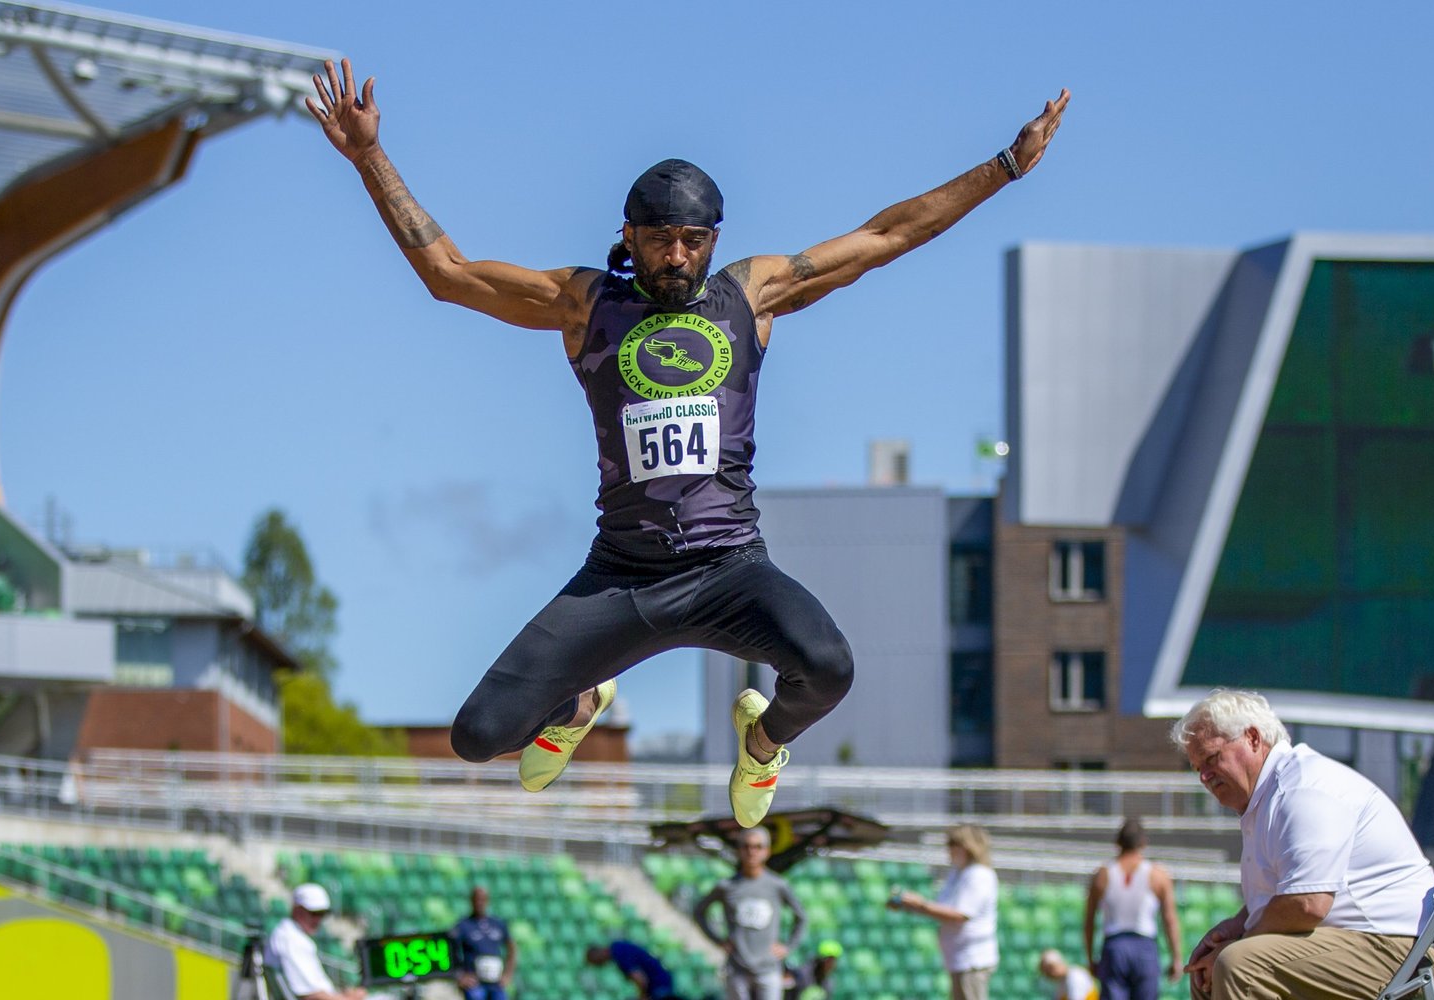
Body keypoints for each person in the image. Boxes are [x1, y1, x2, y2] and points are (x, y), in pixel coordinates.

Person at [306, 58, 1070, 828]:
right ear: (628, 236)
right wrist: (370, 156)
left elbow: (884, 236)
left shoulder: (752, 294)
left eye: (693, 240)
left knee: (829, 668)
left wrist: (1004, 167)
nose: (677, 256)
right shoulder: (585, 303)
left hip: (731, 568)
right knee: (477, 737)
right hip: (622, 577)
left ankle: (762, 744)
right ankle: (578, 703)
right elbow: (450, 273)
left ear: (712, 240)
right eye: (661, 240)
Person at [1173, 688, 1434, 1000]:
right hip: (1371, 947)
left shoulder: (1302, 787)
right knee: (1209, 973)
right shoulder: (1269, 798)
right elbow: (1286, 896)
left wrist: (1236, 942)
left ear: (1253, 739)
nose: (1204, 776)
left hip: (1406, 952)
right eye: (1197, 768)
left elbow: (1307, 904)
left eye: (1212, 758)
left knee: (1238, 965)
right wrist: (1236, 925)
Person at [694, 826, 808, 1000]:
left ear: (767, 851)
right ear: (739, 850)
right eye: (746, 846)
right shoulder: (727, 886)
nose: (751, 852)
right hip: (737, 967)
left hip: (768, 968)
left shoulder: (777, 885)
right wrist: (718, 940)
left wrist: (788, 946)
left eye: (757, 847)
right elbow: (699, 911)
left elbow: (801, 917)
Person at [888, 824, 998, 1000]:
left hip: (971, 958)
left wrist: (921, 904)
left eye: (953, 844)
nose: (949, 850)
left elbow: (960, 915)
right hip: (959, 958)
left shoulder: (978, 875)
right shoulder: (958, 874)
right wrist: (911, 905)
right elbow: (943, 910)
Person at [1084, 818, 1183, 1000]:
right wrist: (1176, 957)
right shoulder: (1157, 875)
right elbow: (1169, 919)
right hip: (1144, 946)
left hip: (1114, 946)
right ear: (1143, 843)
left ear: (1118, 843)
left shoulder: (1102, 874)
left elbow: (1089, 920)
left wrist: (1091, 958)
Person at [264, 883, 367, 1000]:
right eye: (314, 913)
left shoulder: (290, 935)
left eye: (322, 914)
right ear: (297, 909)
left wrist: (343, 995)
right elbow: (311, 996)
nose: (318, 919)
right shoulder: (290, 940)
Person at [452, 886, 516, 1000]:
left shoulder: (498, 924)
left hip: (496, 983)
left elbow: (512, 948)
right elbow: (451, 951)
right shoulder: (463, 925)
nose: (479, 903)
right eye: (477, 899)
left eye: (483, 899)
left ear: (488, 900)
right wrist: (460, 976)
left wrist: (507, 975)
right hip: (475, 983)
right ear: (471, 901)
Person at [585, 940, 678, 1000]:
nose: (601, 965)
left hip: (658, 985)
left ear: (597, 956)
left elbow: (640, 979)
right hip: (661, 982)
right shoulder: (618, 947)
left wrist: (643, 996)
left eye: (597, 963)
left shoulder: (618, 953)